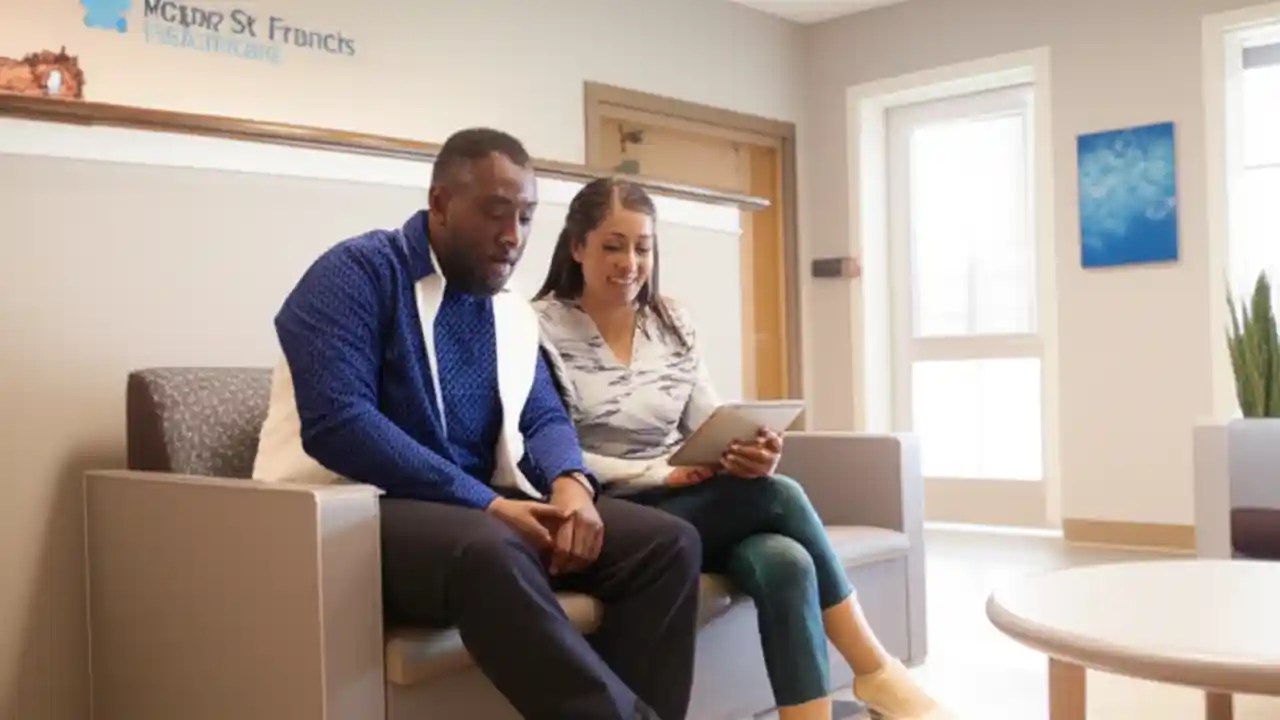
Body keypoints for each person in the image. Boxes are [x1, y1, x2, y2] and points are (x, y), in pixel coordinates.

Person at [251, 130, 703, 720]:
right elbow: (339, 424)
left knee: (667, 546)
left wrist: (571, 482)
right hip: (350, 510)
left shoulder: (508, 307)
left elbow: (540, 411)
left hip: (476, 508)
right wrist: (486, 504)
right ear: (440, 204)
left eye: (525, 216)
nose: (513, 236)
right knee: (492, 549)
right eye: (495, 212)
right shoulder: (355, 274)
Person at [532, 177, 954, 720]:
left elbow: (706, 417)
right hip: (611, 511)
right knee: (780, 496)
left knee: (787, 561)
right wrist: (656, 474)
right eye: (613, 245)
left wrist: (748, 449)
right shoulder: (541, 325)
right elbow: (548, 444)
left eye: (643, 247)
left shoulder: (672, 321)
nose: (630, 262)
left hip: (688, 501)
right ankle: (875, 671)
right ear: (577, 247)